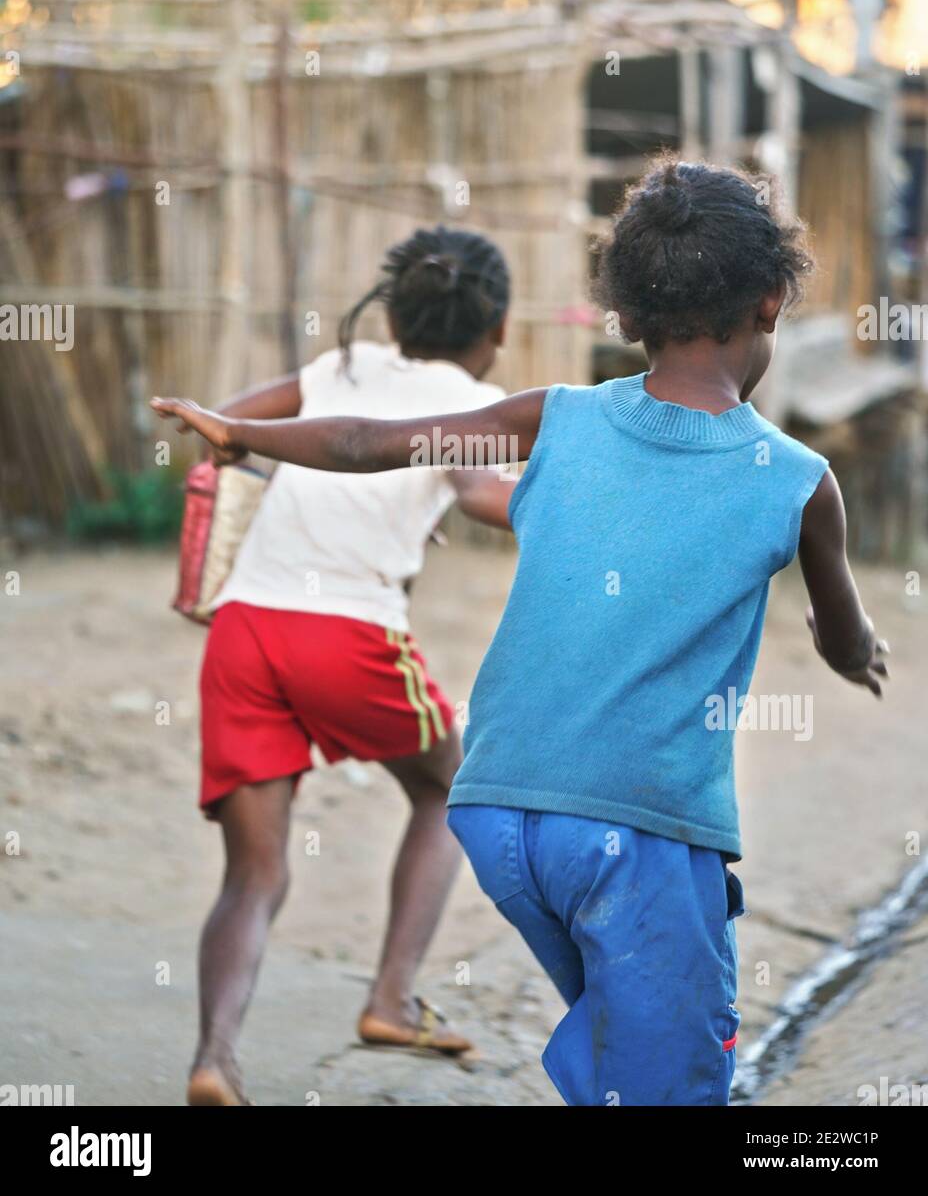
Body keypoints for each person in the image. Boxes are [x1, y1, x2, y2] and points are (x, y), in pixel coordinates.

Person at [153, 158, 889, 1107]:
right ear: (775, 299)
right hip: (644, 829)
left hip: (500, 814)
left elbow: (366, 444)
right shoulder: (797, 481)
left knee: (629, 1028)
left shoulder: (554, 420)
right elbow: (838, 634)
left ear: (623, 316)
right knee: (677, 1068)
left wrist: (236, 432)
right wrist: (859, 648)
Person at [167, 226, 514, 1105]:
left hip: (245, 629)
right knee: (450, 788)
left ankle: (215, 1059)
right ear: (496, 332)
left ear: (392, 314)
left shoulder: (342, 368)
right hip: (347, 635)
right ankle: (391, 999)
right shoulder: (474, 402)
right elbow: (481, 498)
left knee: (254, 873)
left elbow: (231, 424)